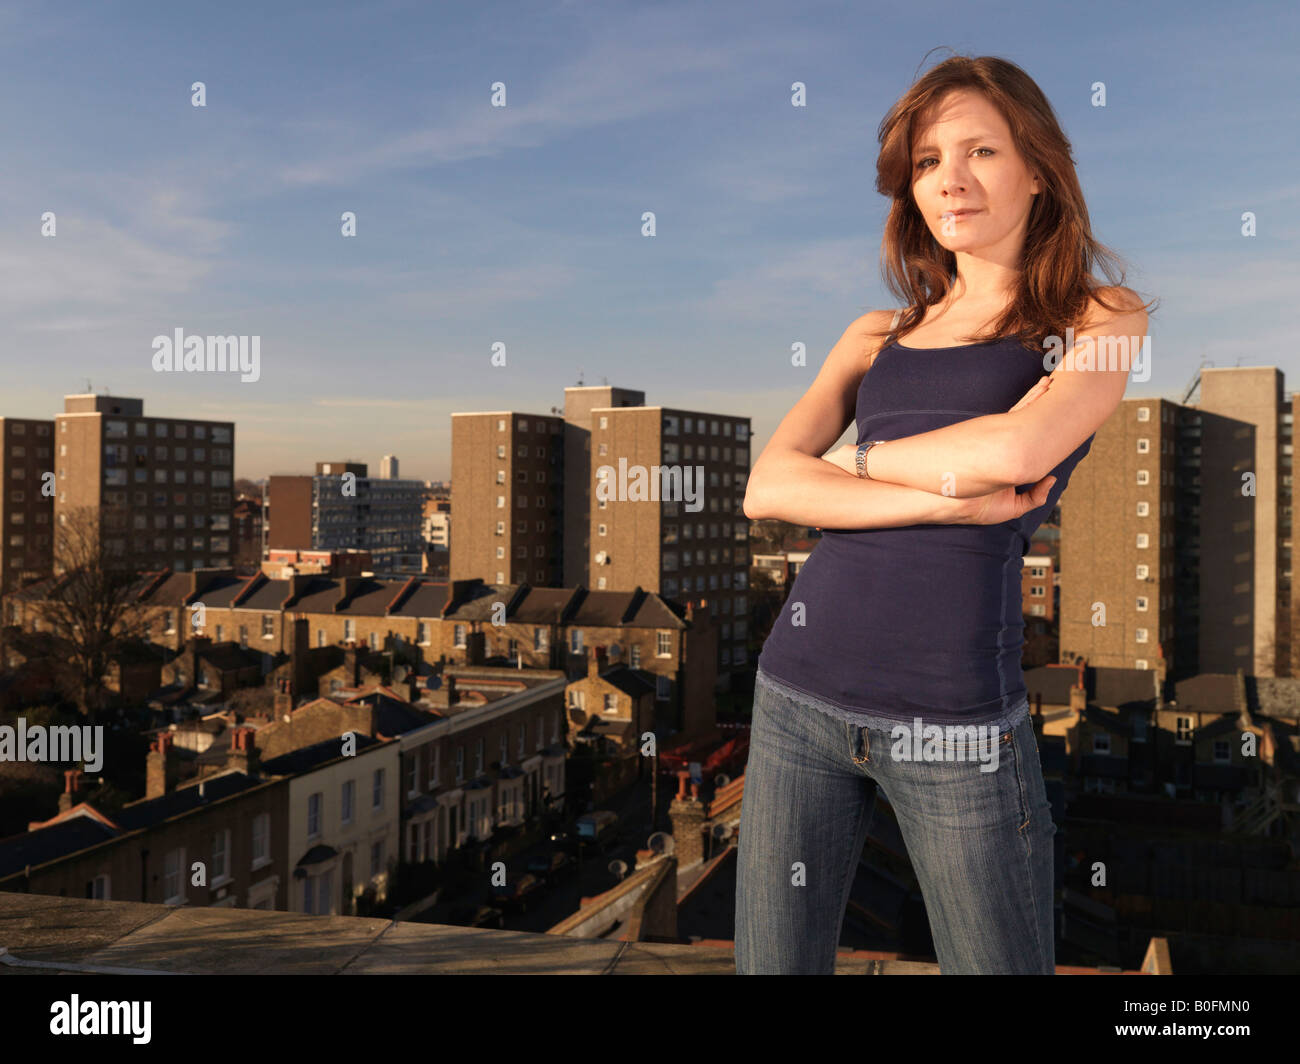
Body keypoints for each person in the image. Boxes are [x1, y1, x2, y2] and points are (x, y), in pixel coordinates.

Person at [736, 54, 1154, 975]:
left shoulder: (1097, 318)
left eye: (980, 152)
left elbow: (1015, 454)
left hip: (956, 721)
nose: (949, 181)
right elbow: (767, 489)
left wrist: (856, 467)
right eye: (927, 161)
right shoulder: (873, 334)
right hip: (796, 696)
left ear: (1038, 168)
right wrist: (940, 497)